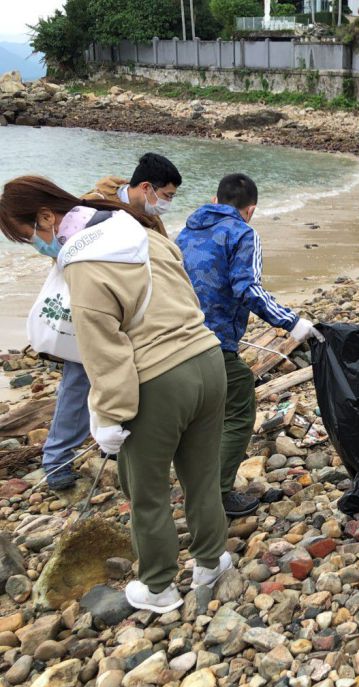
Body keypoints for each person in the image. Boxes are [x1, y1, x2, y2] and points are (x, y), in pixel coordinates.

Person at [0, 176, 232, 613]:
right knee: (201, 475)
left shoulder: (85, 263)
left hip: (162, 380)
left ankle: (159, 586)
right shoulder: (139, 231)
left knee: (145, 491)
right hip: (208, 359)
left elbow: (107, 354)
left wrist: (109, 417)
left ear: (47, 217)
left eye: (28, 235)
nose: (33, 244)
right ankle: (212, 561)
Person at [176, 173, 323, 518]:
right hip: (213, 342)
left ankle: (194, 482)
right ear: (251, 209)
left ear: (215, 199)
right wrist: (294, 323)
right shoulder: (244, 234)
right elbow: (248, 289)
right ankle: (217, 494)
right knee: (240, 406)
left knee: (198, 416)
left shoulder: (184, 232)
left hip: (175, 336)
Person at [41, 152, 183, 492]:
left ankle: (119, 444)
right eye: (166, 196)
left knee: (133, 374)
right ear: (146, 187)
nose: (166, 204)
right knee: (79, 380)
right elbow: (61, 255)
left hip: (135, 308)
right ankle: (56, 461)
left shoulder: (146, 216)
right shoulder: (91, 208)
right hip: (95, 307)